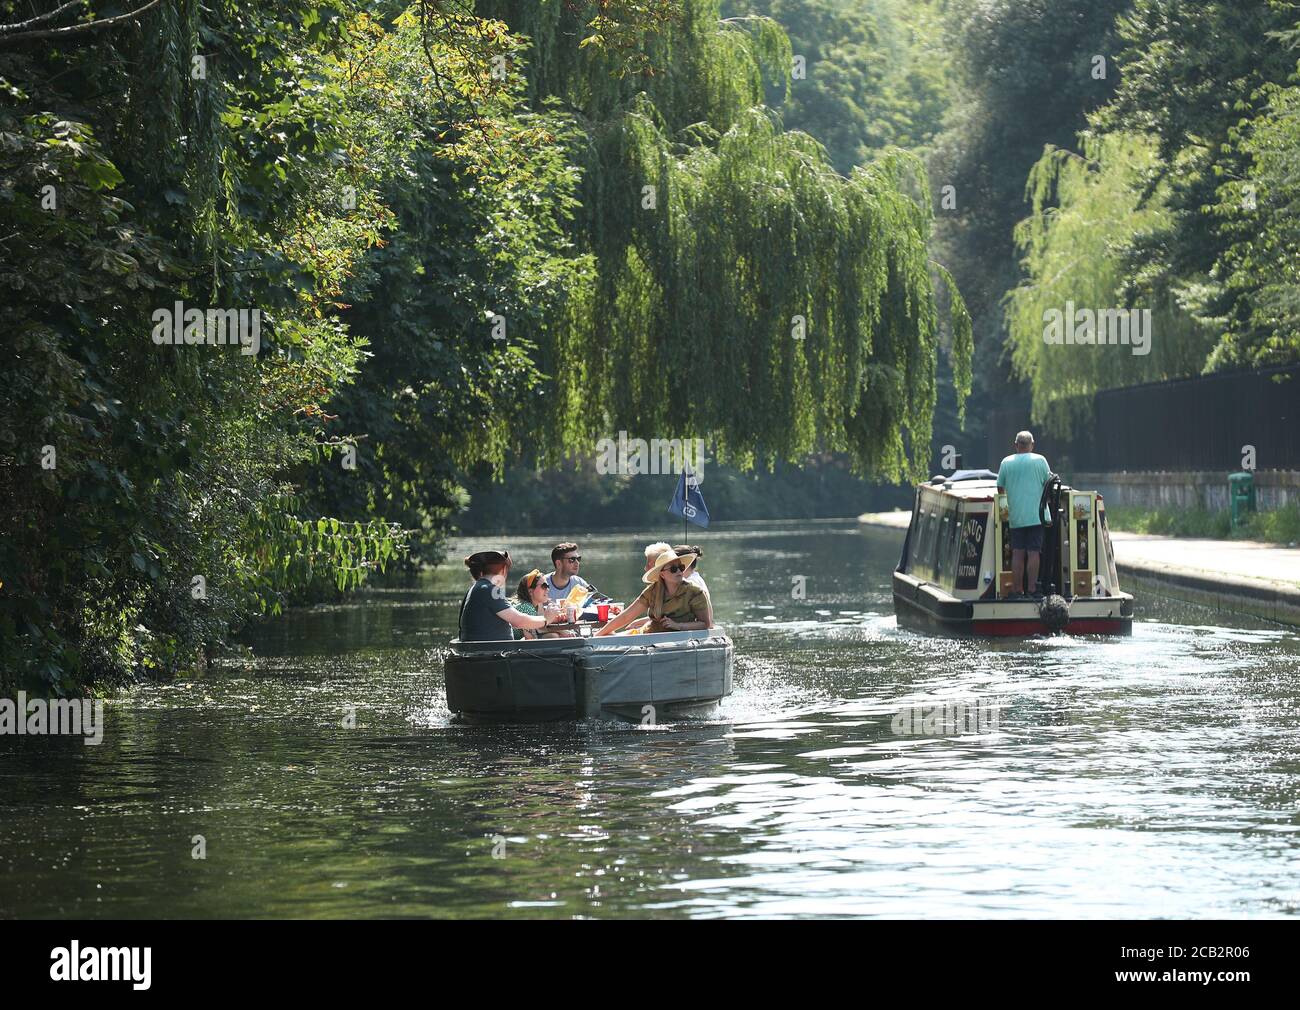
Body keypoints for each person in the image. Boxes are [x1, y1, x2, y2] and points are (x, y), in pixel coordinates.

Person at [596, 548, 713, 636]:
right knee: (609, 636)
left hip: (682, 640)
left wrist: (678, 626)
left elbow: (705, 624)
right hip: (650, 636)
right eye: (673, 569)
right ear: (662, 574)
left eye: (681, 567)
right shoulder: (652, 591)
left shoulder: (695, 592)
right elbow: (627, 616)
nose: (679, 571)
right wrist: (598, 635)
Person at [996, 430, 1052, 598]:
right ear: (1032, 445)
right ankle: (1033, 590)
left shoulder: (1006, 462)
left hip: (1016, 516)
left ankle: (1017, 590)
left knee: (1018, 553)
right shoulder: (1040, 460)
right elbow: (1048, 484)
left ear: (1016, 445)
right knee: (1034, 553)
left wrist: (1007, 503)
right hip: (1037, 515)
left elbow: (1000, 488)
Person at [458, 550, 560, 641]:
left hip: (482, 650)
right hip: (492, 653)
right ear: (503, 570)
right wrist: (546, 619)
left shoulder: (476, 587)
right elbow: (518, 621)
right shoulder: (490, 589)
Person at [511, 569, 564, 639]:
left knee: (553, 635)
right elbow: (531, 639)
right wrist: (561, 631)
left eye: (548, 586)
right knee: (553, 636)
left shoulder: (528, 604)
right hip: (507, 647)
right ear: (530, 591)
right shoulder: (527, 608)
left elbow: (540, 628)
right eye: (544, 586)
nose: (547, 589)